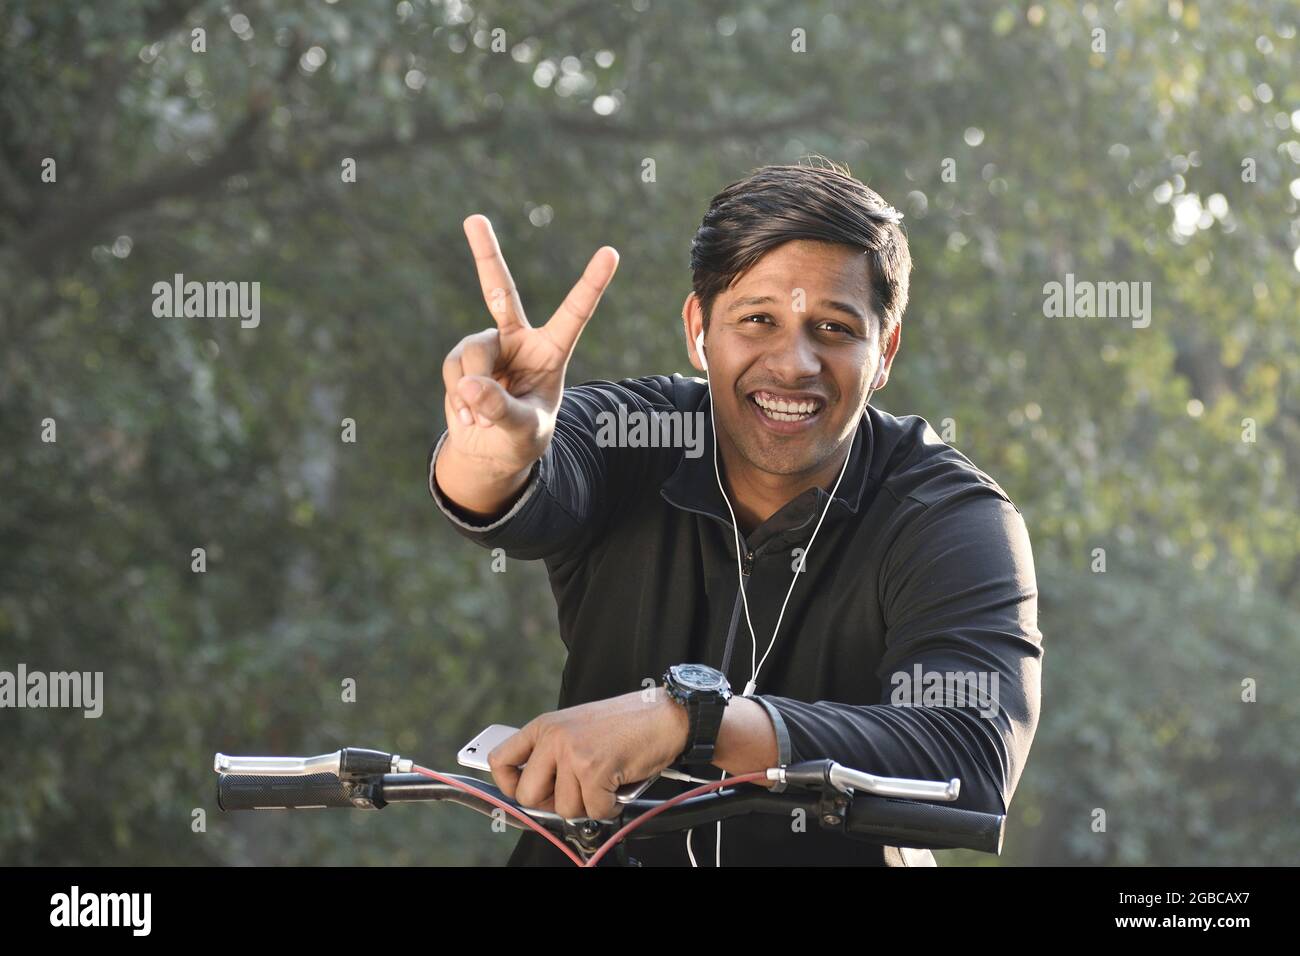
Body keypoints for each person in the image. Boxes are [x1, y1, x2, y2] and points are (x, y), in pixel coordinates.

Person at [428, 159, 1043, 866]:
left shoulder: (951, 518)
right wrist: (492, 449)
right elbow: (514, 492)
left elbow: (966, 757)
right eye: (758, 320)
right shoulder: (637, 434)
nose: (795, 364)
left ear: (885, 351)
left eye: (834, 328)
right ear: (699, 328)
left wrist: (690, 723)